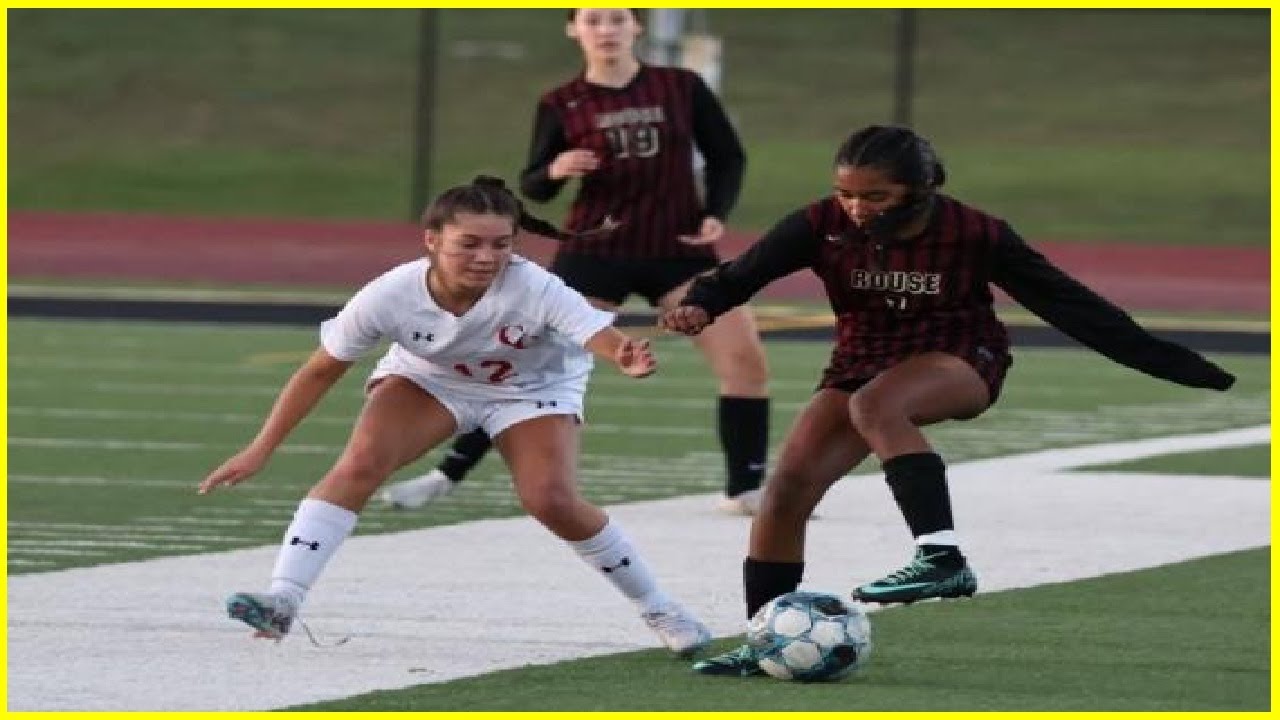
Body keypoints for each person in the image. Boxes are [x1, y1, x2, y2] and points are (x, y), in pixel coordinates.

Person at [655, 125, 1238, 675]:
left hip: (961, 356)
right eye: (845, 194)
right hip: (863, 358)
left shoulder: (975, 232)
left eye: (874, 196)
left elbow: (1071, 304)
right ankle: (765, 640)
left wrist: (1171, 361)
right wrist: (703, 302)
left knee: (876, 406)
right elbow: (744, 272)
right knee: (784, 493)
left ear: (920, 190)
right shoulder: (820, 224)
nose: (855, 208)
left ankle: (942, 557)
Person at [198, 176, 711, 657]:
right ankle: (282, 600)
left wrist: (623, 355)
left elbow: (600, 336)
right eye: (470, 243)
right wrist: (260, 448)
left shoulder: (535, 286)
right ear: (432, 240)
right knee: (359, 466)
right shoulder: (390, 293)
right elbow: (318, 372)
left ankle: (659, 607)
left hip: (531, 388)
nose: (487, 257)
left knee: (550, 500)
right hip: (431, 378)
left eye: (501, 243)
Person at [380, 8, 772, 516]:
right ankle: (446, 474)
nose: (605, 29)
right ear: (574, 30)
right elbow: (532, 182)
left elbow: (728, 155)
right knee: (521, 358)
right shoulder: (562, 102)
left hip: (676, 248)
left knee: (744, 360)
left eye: (616, 19)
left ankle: (745, 488)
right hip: (596, 253)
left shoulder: (681, 86)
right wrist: (557, 167)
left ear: (637, 27)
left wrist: (717, 211)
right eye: (592, 20)